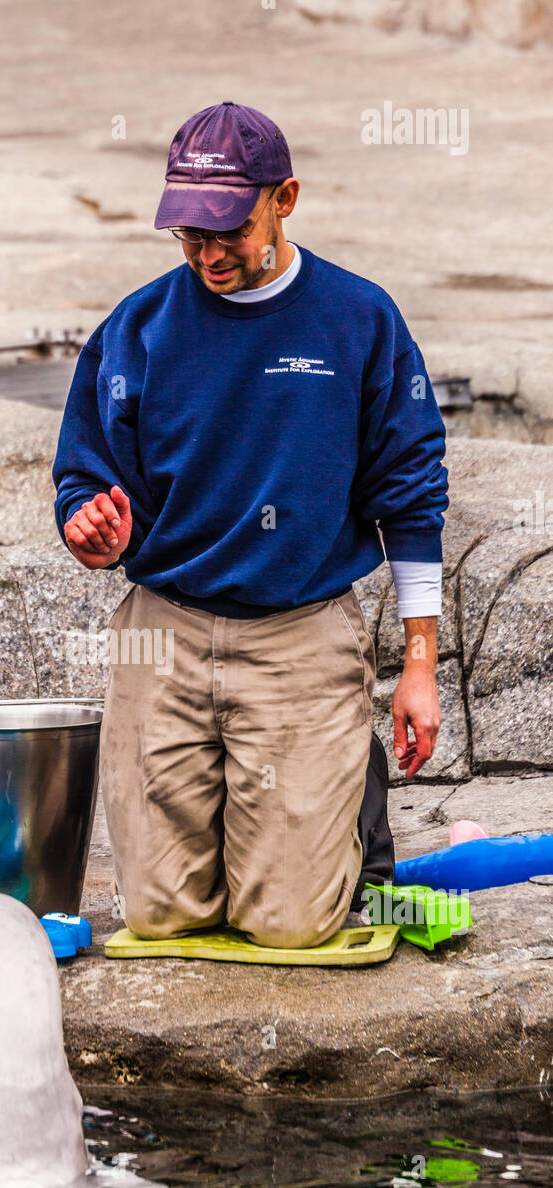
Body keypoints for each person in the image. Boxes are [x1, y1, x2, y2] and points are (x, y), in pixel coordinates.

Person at [52, 101, 448, 949]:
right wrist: (90, 527)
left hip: (299, 632)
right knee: (162, 917)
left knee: (291, 925)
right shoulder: (138, 330)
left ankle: (357, 829)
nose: (206, 255)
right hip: (162, 628)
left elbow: (411, 498)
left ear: (285, 198)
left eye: (226, 229)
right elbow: (84, 475)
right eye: (187, 234)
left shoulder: (358, 320)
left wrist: (420, 666)